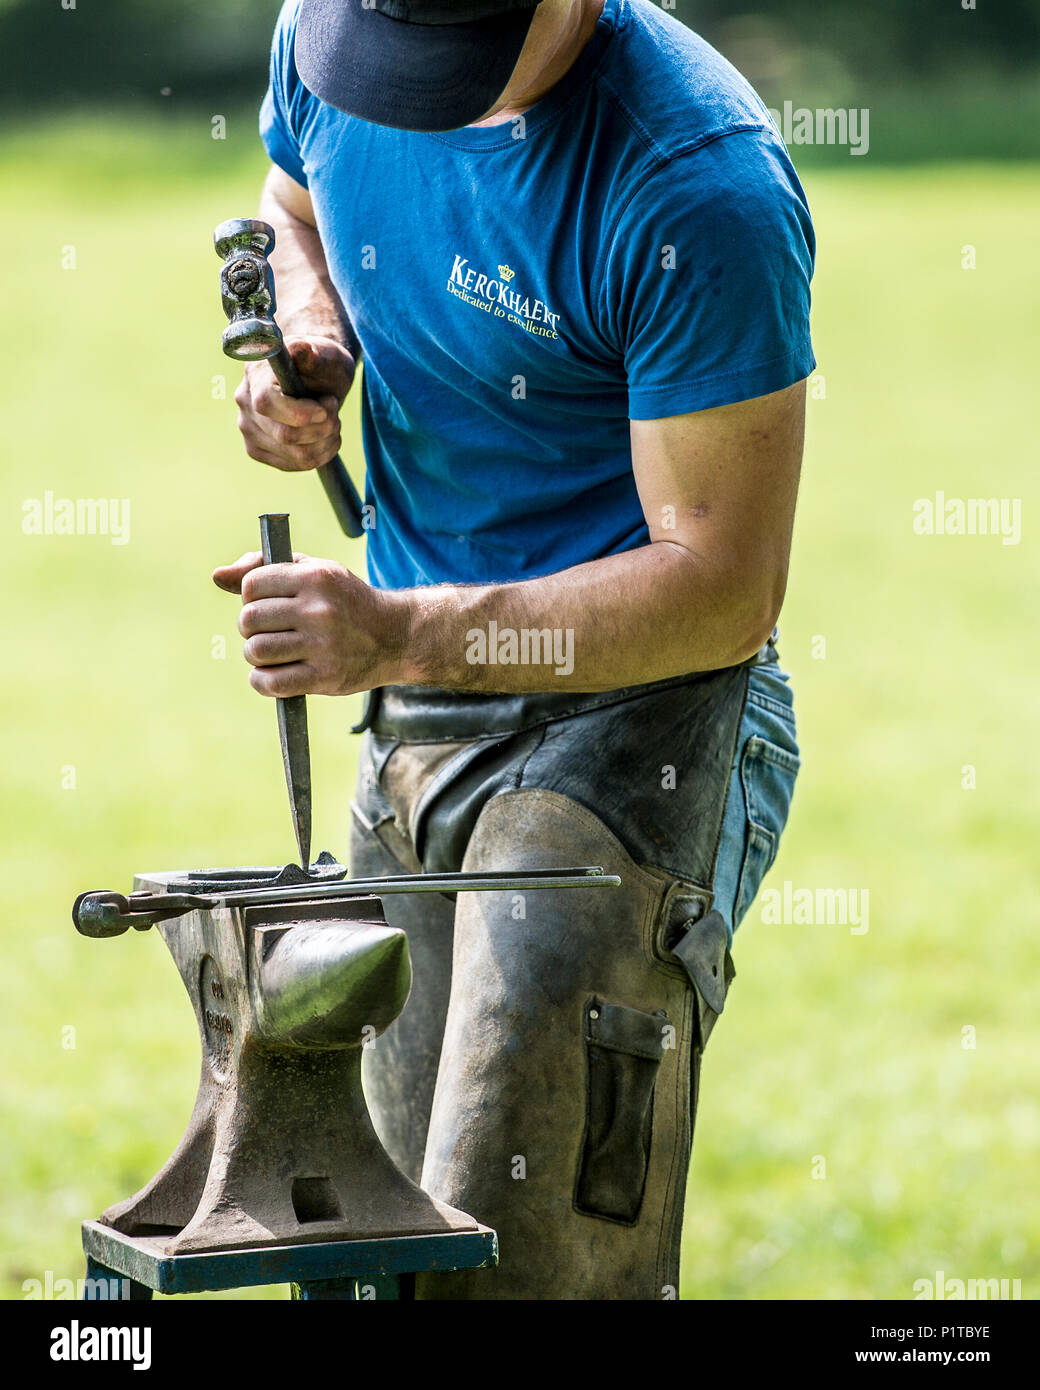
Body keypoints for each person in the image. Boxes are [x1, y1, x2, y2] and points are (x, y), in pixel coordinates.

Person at [213, 0, 814, 1300]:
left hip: (639, 728)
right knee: (382, 1244)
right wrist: (311, 341)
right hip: (419, 711)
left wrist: (387, 631)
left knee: (525, 1262)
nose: (413, 96)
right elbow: (290, 202)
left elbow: (721, 589)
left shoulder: (695, 179)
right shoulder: (328, 33)